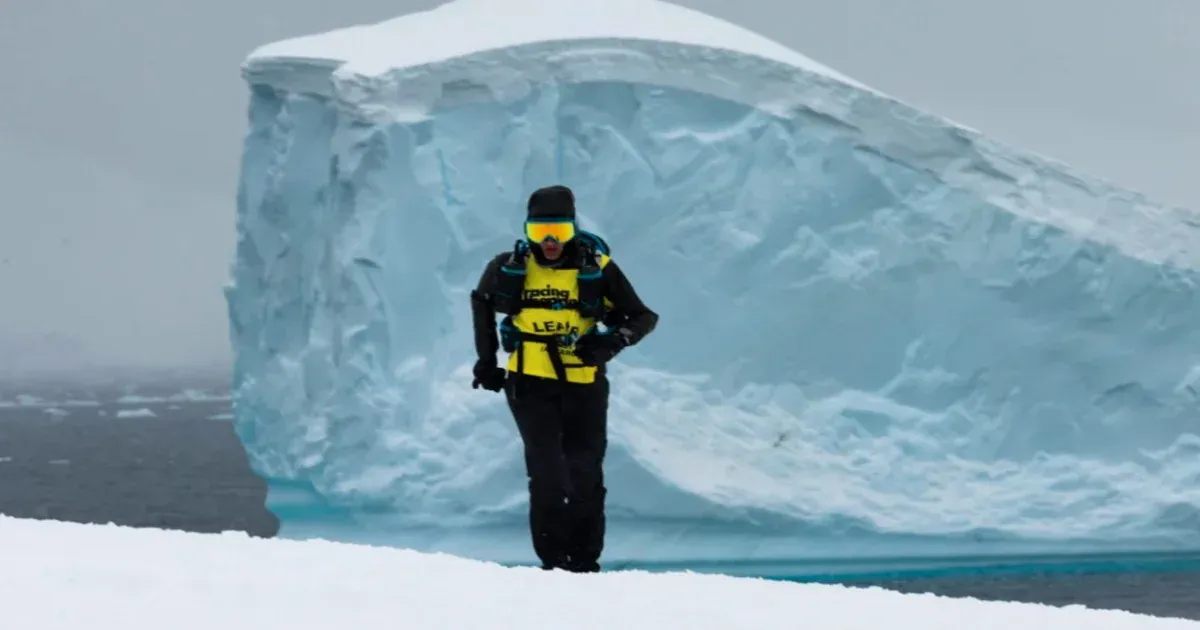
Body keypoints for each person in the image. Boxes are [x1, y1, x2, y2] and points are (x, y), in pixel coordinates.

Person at [468, 184, 659, 573]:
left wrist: (609, 344)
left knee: (584, 470)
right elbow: (482, 305)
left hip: (584, 381)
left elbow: (643, 317)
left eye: (558, 231)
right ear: (527, 231)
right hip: (528, 382)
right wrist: (486, 363)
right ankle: (553, 564)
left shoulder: (598, 268)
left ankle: (584, 562)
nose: (550, 242)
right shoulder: (507, 267)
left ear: (573, 228)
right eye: (540, 232)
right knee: (546, 473)